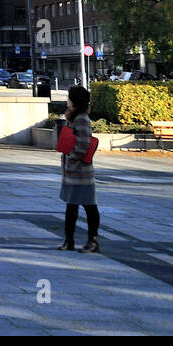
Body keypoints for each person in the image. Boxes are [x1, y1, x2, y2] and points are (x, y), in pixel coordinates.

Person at [58, 85, 100, 252]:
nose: (67, 100)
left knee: (89, 205)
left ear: (75, 101)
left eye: (69, 97)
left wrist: (72, 157)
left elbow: (83, 143)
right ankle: (69, 240)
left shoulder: (81, 118)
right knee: (72, 205)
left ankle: (93, 240)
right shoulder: (74, 117)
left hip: (80, 170)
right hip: (73, 170)